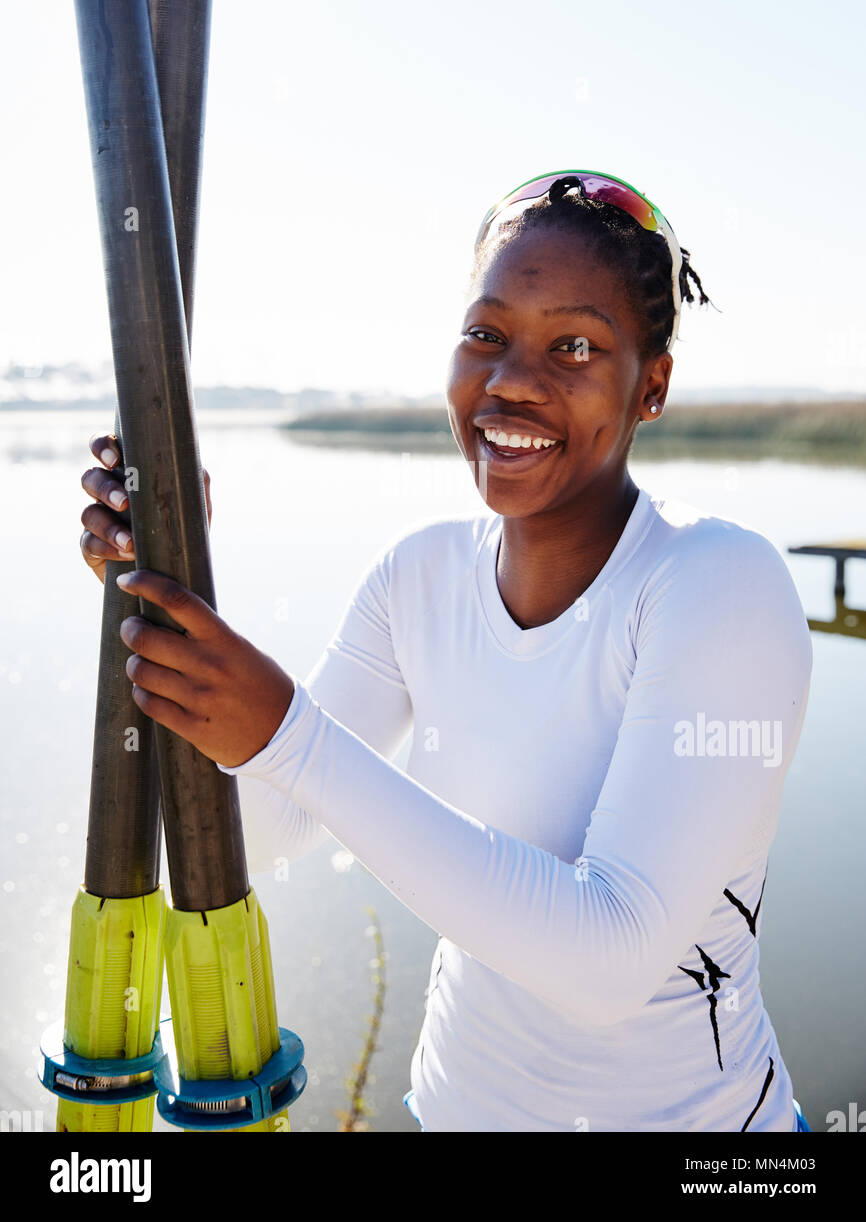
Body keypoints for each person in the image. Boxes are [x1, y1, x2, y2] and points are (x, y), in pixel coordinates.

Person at [79, 170, 813, 1133]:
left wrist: (287, 733)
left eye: (576, 346)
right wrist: (176, 584)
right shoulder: (416, 577)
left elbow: (608, 961)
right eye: (486, 334)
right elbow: (261, 828)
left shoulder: (721, 584)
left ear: (653, 387)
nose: (511, 381)